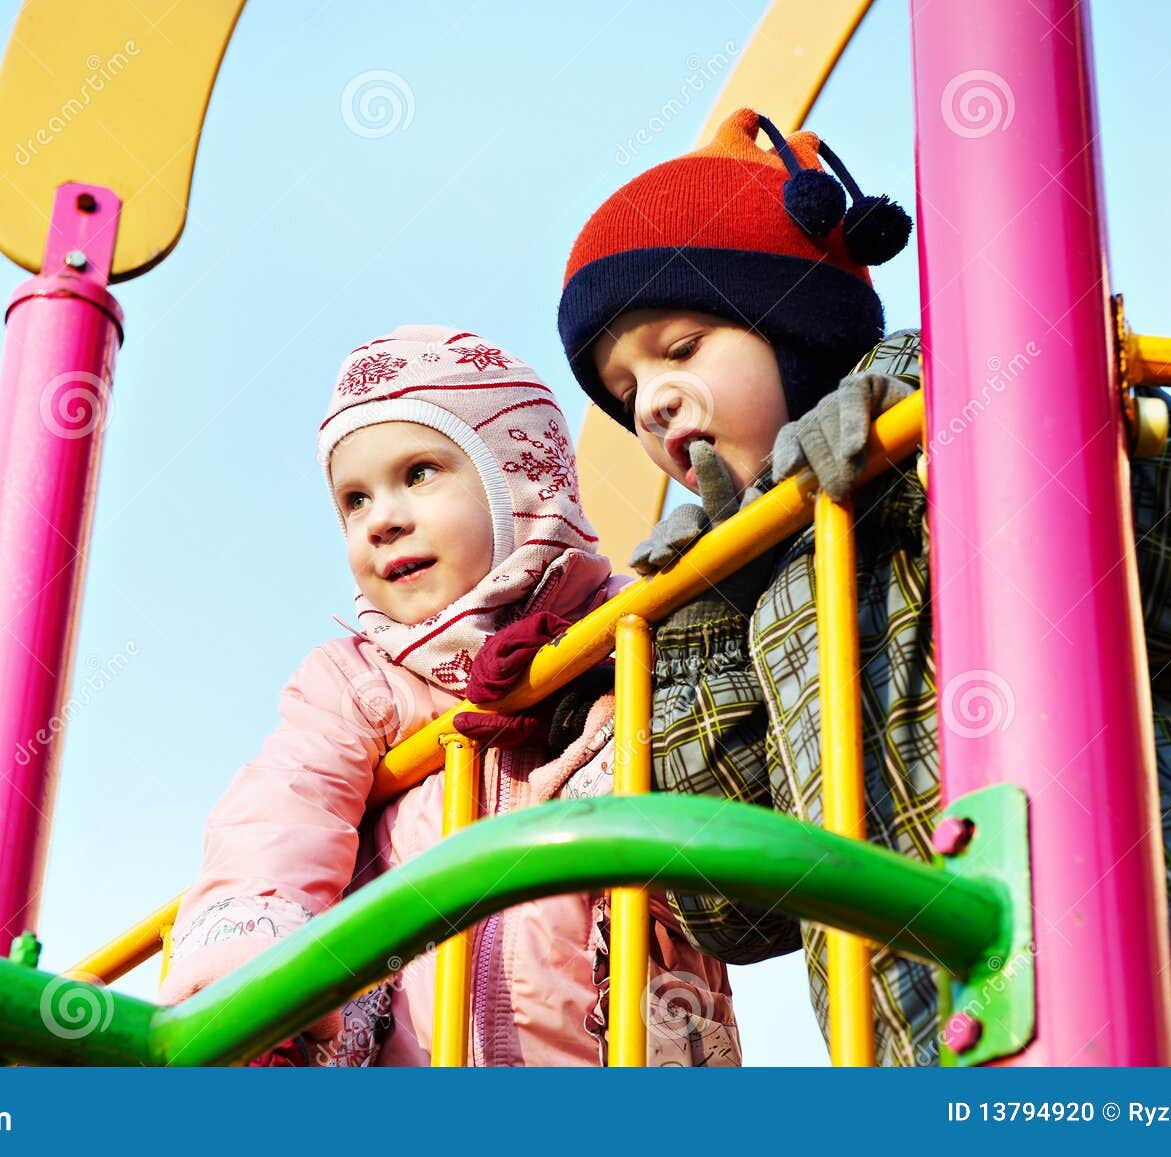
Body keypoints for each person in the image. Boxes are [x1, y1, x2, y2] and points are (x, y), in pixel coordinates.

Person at [554, 107, 1171, 1065]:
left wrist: (924, 425)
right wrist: (715, 606)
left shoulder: (964, 387)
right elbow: (732, 904)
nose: (654, 399)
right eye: (624, 392)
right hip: (933, 1021)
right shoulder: (751, 572)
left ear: (793, 326)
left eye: (680, 349)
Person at [158, 325, 739, 1066]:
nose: (383, 518)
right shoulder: (360, 681)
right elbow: (284, 806)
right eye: (354, 500)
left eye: (420, 472)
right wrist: (252, 968)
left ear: (521, 485)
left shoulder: (632, 631)